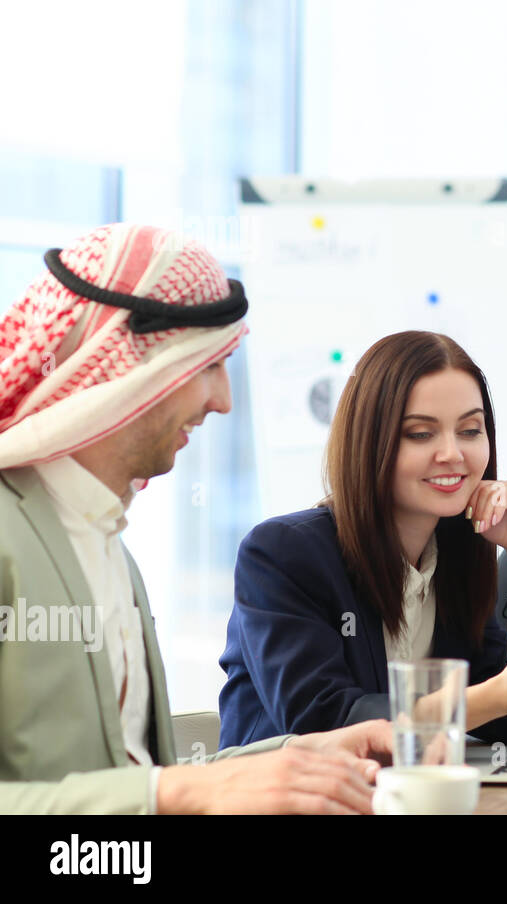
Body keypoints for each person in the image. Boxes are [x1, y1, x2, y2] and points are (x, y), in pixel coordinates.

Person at [0, 224, 389, 814]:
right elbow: (156, 793)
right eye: (209, 366)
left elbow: (129, 778)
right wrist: (180, 791)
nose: (223, 401)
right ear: (129, 369)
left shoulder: (107, 545)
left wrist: (304, 755)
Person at [219, 331, 507, 747]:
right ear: (370, 442)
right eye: (420, 434)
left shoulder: (456, 551)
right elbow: (326, 722)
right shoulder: (282, 554)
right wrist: (498, 695)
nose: (452, 453)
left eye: (470, 430)